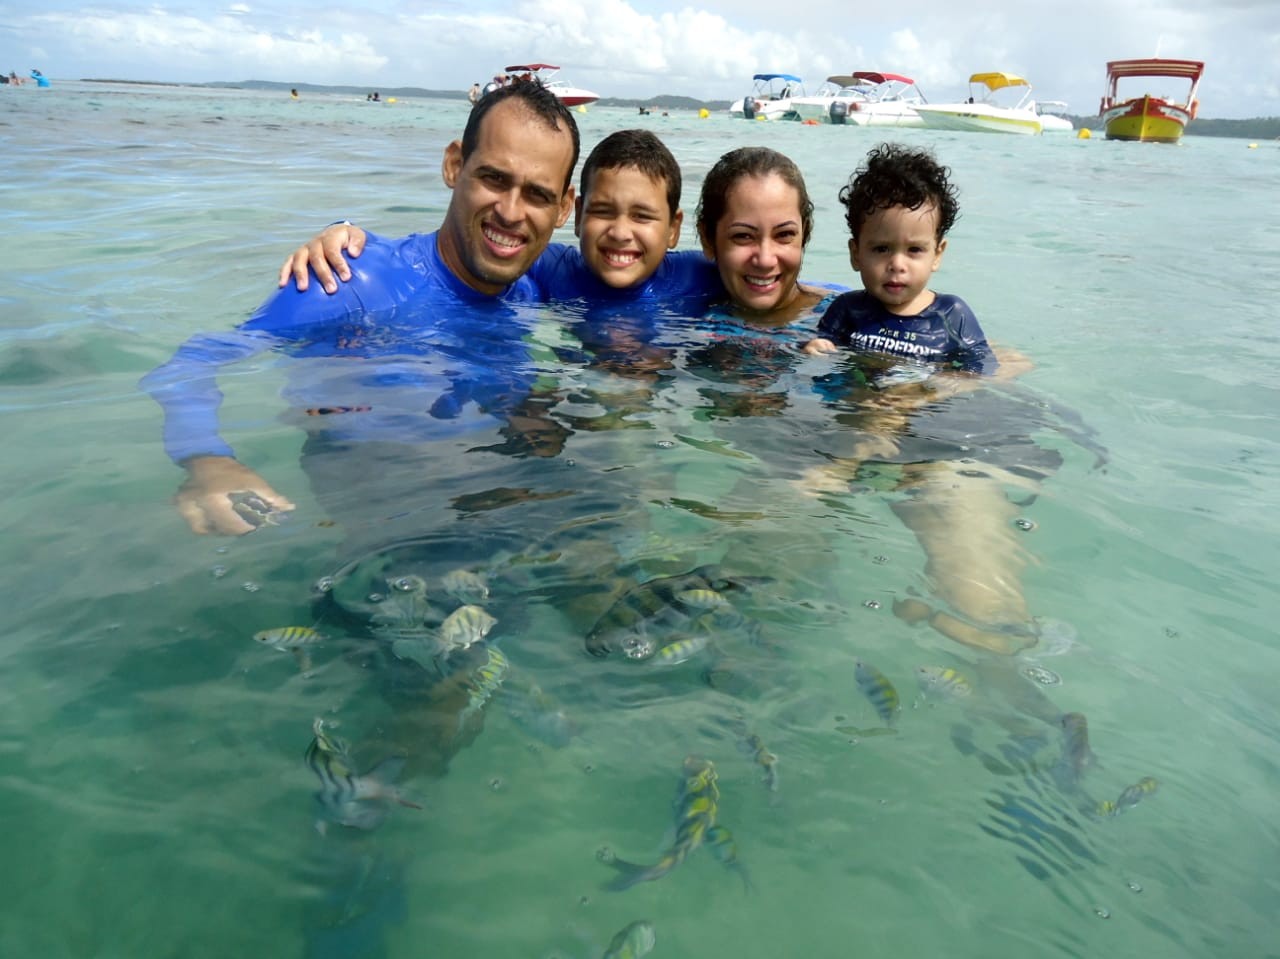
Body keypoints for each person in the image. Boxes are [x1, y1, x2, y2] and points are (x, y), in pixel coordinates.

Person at [141, 80, 580, 536]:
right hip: (380, 539)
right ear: (454, 165)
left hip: (496, 516)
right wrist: (207, 460)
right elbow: (192, 363)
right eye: (494, 179)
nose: (511, 212)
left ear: (565, 207)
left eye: (538, 195)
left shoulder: (531, 293)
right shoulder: (348, 281)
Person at [801, 143, 1055, 654]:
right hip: (863, 420)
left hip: (925, 427)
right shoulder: (848, 310)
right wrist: (818, 352)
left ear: (938, 254)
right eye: (881, 249)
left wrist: (936, 387)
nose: (897, 266)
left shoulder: (953, 315)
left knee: (933, 496)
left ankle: (966, 609)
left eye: (914, 250)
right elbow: (824, 363)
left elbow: (979, 372)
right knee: (829, 470)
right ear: (855, 252)